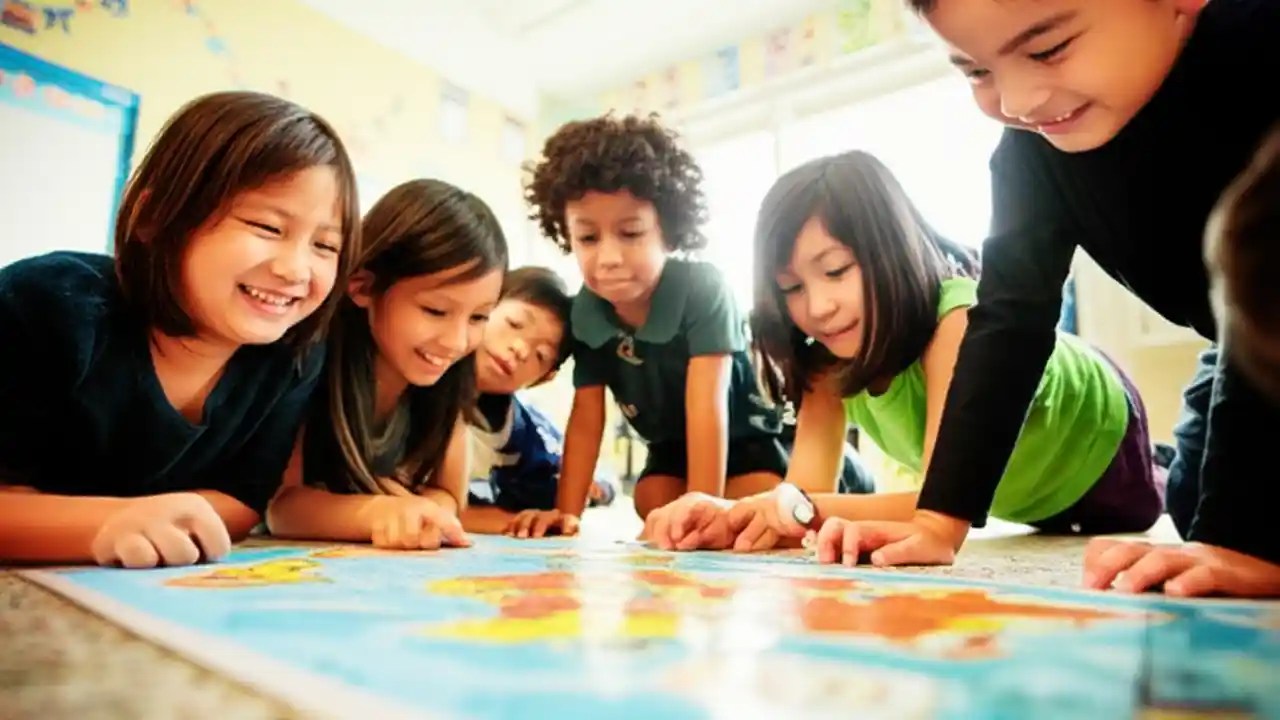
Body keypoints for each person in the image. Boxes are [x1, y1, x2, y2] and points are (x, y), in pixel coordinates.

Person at [857, 0, 1280, 597]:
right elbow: (1008, 320)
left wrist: (1245, 542)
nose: (1018, 102)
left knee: (1243, 527)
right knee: (1191, 503)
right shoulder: (1032, 151)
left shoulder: (1259, 51)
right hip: (1236, 345)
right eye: (978, 72)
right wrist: (938, 517)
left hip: (1263, 333)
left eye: (1048, 49)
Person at [643, 151, 1160, 555]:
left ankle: (1169, 458)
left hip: (1103, 445)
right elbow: (798, 499)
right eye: (791, 288)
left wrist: (789, 507)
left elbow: (941, 499)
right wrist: (728, 518)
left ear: (892, 248)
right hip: (1021, 499)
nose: (818, 307)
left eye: (837, 270)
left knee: (1166, 502)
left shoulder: (958, 319)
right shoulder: (823, 364)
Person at [0, 91, 359, 567]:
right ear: (156, 217)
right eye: (267, 227)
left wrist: (162, 521)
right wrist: (105, 525)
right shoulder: (46, 307)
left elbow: (243, 500)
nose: (296, 269)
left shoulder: (292, 358)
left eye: (325, 245)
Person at [510, 113, 787, 537]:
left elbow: (706, 408)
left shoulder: (703, 289)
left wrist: (702, 509)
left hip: (748, 442)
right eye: (588, 238)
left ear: (669, 233)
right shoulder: (585, 311)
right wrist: (567, 514)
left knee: (758, 500)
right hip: (670, 452)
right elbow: (586, 420)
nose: (608, 258)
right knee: (650, 500)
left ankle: (833, 479)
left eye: (631, 233)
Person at [266, 179, 507, 550]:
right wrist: (381, 512)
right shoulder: (309, 361)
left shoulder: (448, 381)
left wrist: (425, 508)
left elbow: (449, 496)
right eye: (436, 310)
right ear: (363, 287)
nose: (457, 341)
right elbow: (282, 508)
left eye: (479, 317)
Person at [462, 266, 617, 535]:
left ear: (543, 378)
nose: (520, 349)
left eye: (541, 355)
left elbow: (567, 486)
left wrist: (600, 486)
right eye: (514, 324)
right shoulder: (417, 378)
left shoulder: (522, 436)